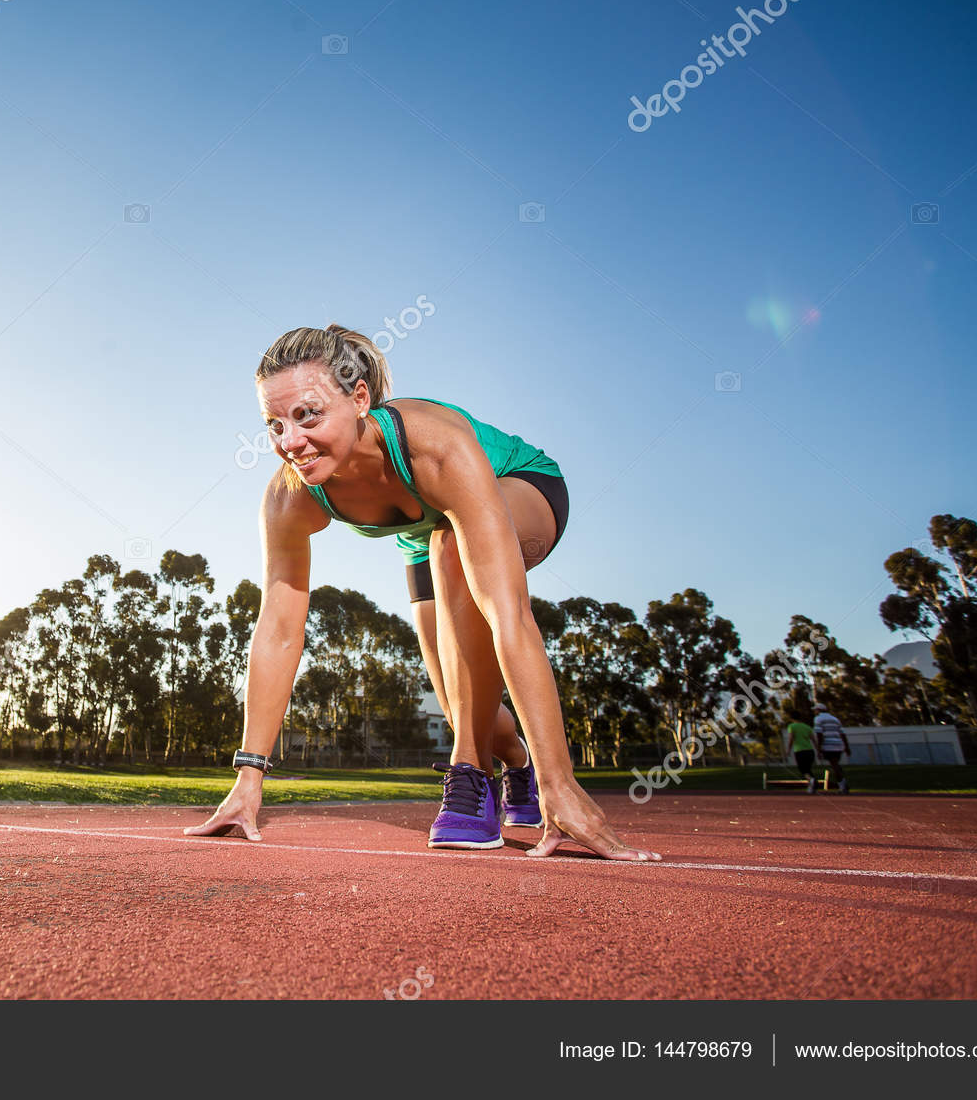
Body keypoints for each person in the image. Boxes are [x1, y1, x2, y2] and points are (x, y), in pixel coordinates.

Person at [185, 325, 660, 861]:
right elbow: (277, 629)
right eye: (275, 423)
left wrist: (564, 782)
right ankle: (518, 768)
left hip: (518, 487)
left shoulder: (435, 445)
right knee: (461, 704)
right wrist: (249, 778)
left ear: (360, 398)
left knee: (450, 544)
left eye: (308, 415)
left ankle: (477, 776)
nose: (289, 441)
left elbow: (510, 616)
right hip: (426, 535)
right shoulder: (290, 494)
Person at [813, 703, 850, 793]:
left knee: (834, 765)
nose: (814, 712)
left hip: (828, 745)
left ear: (819, 710)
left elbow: (819, 734)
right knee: (836, 764)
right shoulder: (835, 719)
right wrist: (846, 746)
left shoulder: (818, 719)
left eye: (815, 710)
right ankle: (842, 782)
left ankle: (842, 785)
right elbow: (842, 733)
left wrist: (819, 748)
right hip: (838, 745)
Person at [783, 708, 817, 793]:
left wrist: (788, 750)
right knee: (808, 769)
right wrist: (818, 750)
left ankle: (811, 780)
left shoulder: (792, 726)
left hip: (800, 751)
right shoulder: (807, 726)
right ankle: (811, 786)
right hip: (810, 750)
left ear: (791, 718)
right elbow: (813, 739)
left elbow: (791, 739)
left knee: (803, 769)